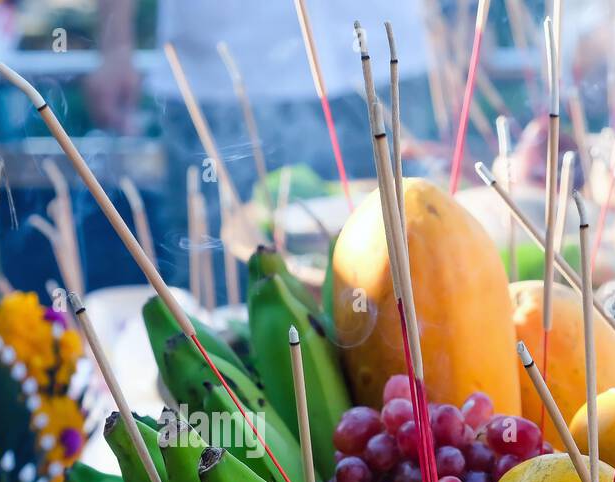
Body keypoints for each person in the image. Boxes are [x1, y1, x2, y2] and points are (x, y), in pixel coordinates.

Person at [84, 0, 434, 293]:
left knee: (403, 290)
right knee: (228, 295)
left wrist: (454, 25)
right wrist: (115, 45)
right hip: (224, 72)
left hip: (387, 51)